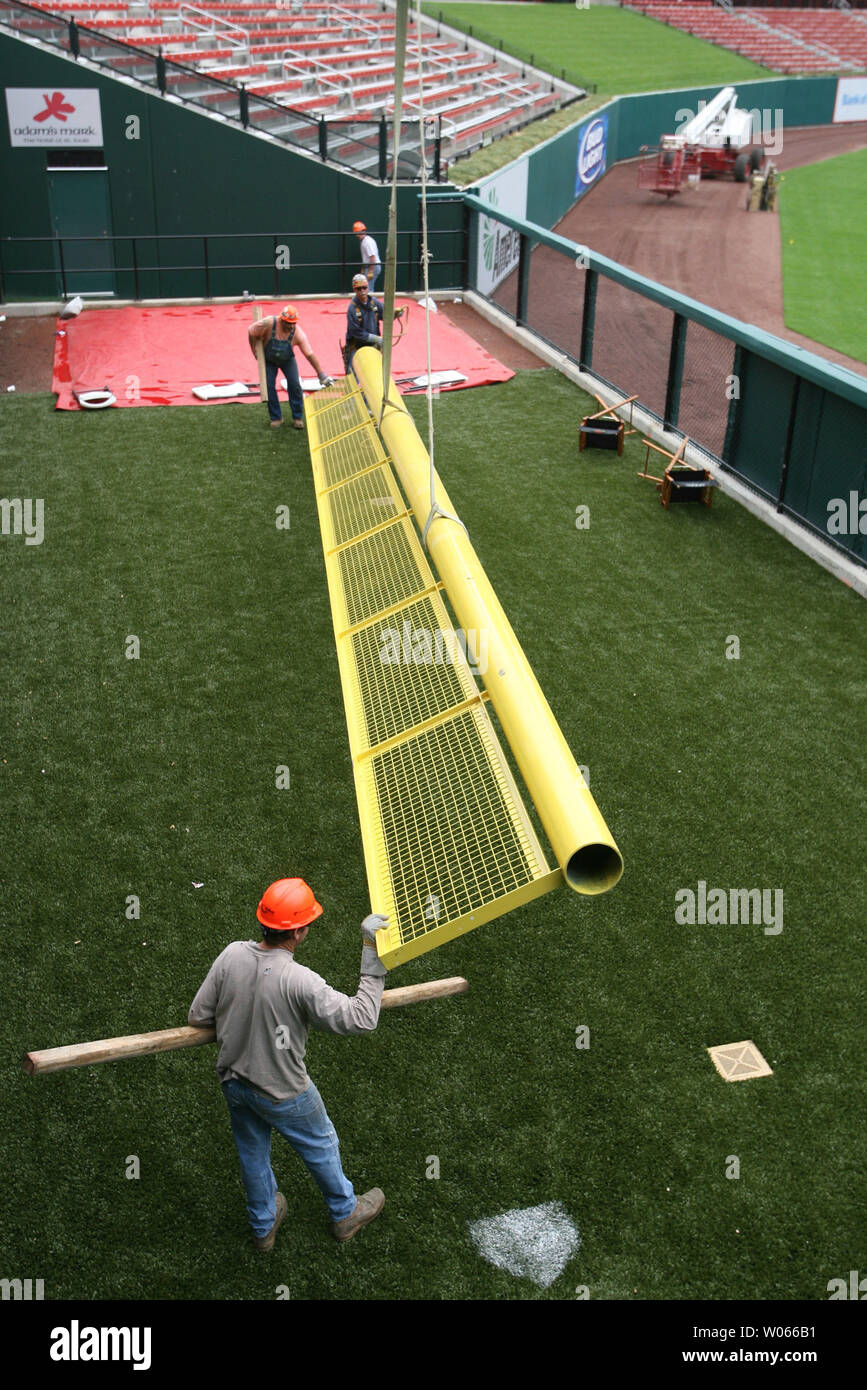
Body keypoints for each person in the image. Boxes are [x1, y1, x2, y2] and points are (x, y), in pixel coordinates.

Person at [188, 876, 389, 1250]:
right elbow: (362, 1017)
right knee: (321, 1144)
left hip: (234, 1083)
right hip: (284, 1091)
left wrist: (244, 1014)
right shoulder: (301, 981)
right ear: (298, 932)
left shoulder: (232, 954)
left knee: (252, 1153)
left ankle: (263, 1226)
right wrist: (371, 950)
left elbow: (199, 1015)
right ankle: (345, 1213)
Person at [248, 305, 333, 430]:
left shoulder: (298, 333)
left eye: (294, 323)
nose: (291, 326)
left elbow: (309, 354)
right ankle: (276, 417)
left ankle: (297, 417)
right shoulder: (268, 323)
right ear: (282, 320)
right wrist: (254, 350)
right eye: (288, 323)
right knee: (268, 386)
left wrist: (321, 375)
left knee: (294, 384)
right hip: (269, 360)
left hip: (287, 360)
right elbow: (251, 331)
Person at [344, 273, 385, 365]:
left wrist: (395, 313)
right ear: (354, 289)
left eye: (364, 287)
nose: (362, 291)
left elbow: (386, 314)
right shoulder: (352, 309)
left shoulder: (374, 303)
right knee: (354, 372)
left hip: (374, 347)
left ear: (368, 287)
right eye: (359, 288)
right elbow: (355, 332)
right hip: (357, 348)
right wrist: (376, 338)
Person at [353, 221, 381, 289]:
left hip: (372, 267)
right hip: (370, 267)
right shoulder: (365, 241)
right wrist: (363, 268)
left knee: (368, 288)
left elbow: (372, 256)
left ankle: (370, 299)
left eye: (357, 233)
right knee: (366, 287)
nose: (356, 235)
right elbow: (367, 257)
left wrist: (371, 271)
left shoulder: (367, 242)